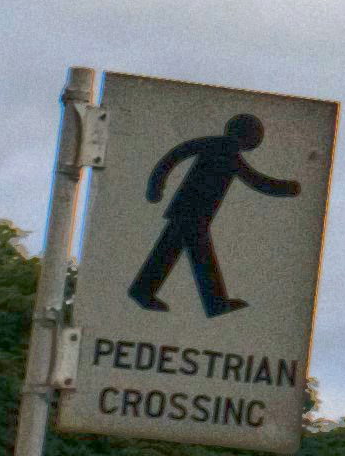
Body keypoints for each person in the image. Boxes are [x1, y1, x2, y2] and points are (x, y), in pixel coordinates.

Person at [123, 111, 297, 317]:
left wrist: (156, 185)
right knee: (196, 256)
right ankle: (213, 304)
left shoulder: (223, 150)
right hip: (192, 212)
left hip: (191, 212)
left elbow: (174, 156)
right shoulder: (226, 152)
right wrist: (155, 186)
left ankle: (145, 291)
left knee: (174, 251)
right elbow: (256, 181)